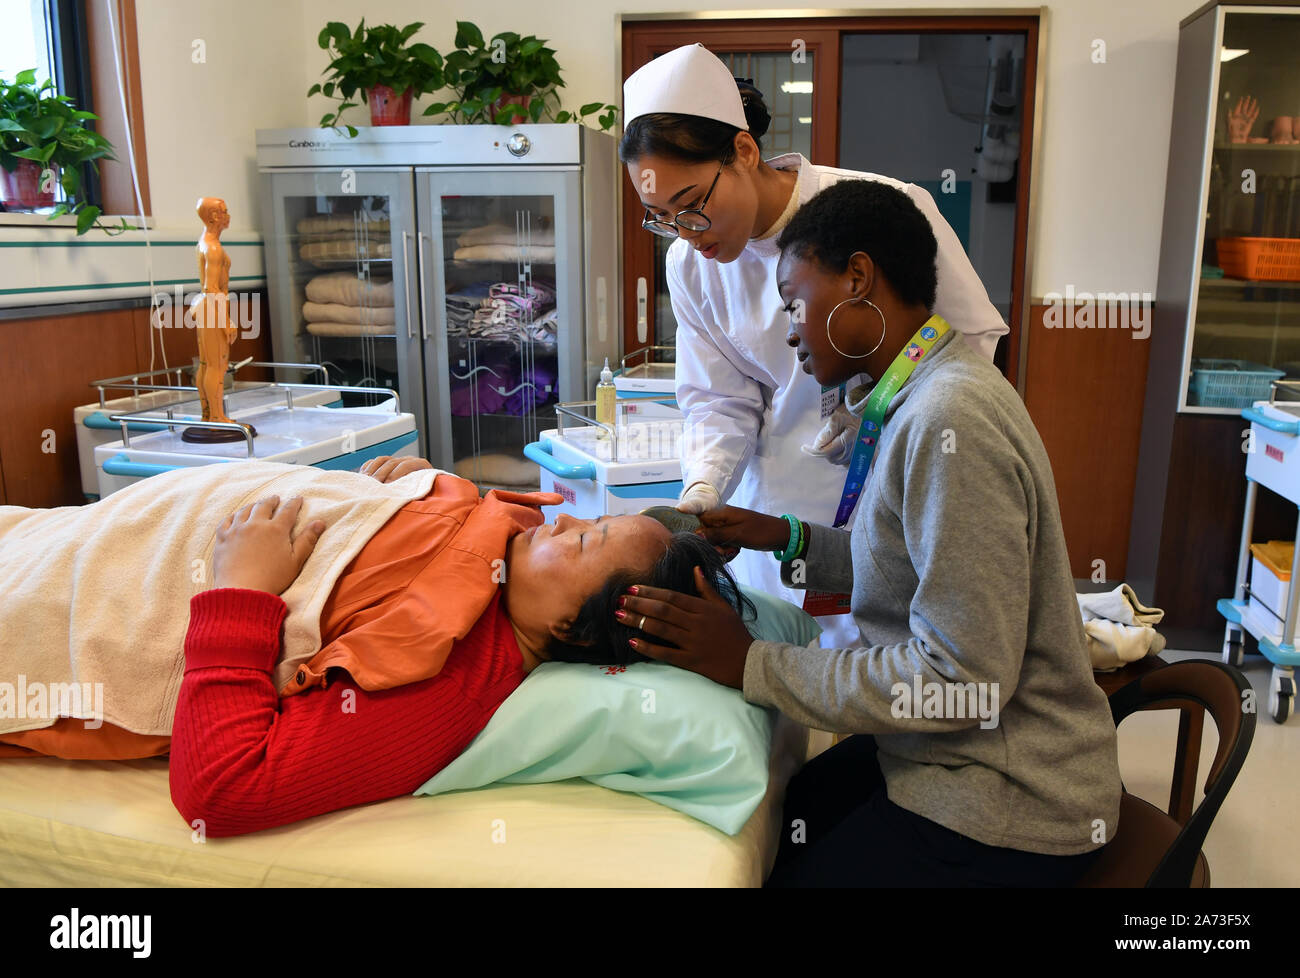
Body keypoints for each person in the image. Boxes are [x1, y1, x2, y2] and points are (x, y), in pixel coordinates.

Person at [616, 179, 1122, 886]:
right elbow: (910, 563)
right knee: (788, 817)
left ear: (858, 278)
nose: (790, 330)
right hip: (938, 755)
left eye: (794, 302)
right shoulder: (919, 393)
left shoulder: (949, 418)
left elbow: (963, 679)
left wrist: (751, 662)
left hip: (1008, 797)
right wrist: (785, 537)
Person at [0, 456, 750, 837]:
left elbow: (222, 791)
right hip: (78, 526)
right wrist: (399, 489)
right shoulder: (504, 538)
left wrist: (242, 592)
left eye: (583, 540)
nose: (560, 521)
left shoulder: (448, 678)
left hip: (87, 585)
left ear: (572, 629)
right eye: (585, 518)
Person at [620, 42, 1010, 648]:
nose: (685, 233)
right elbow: (719, 401)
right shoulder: (690, 267)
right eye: (659, 216)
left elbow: (968, 341)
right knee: (786, 667)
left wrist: (879, 414)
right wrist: (704, 487)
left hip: (892, 486)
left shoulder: (877, 210)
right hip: (774, 513)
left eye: (692, 205)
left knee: (891, 658)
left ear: (744, 151)